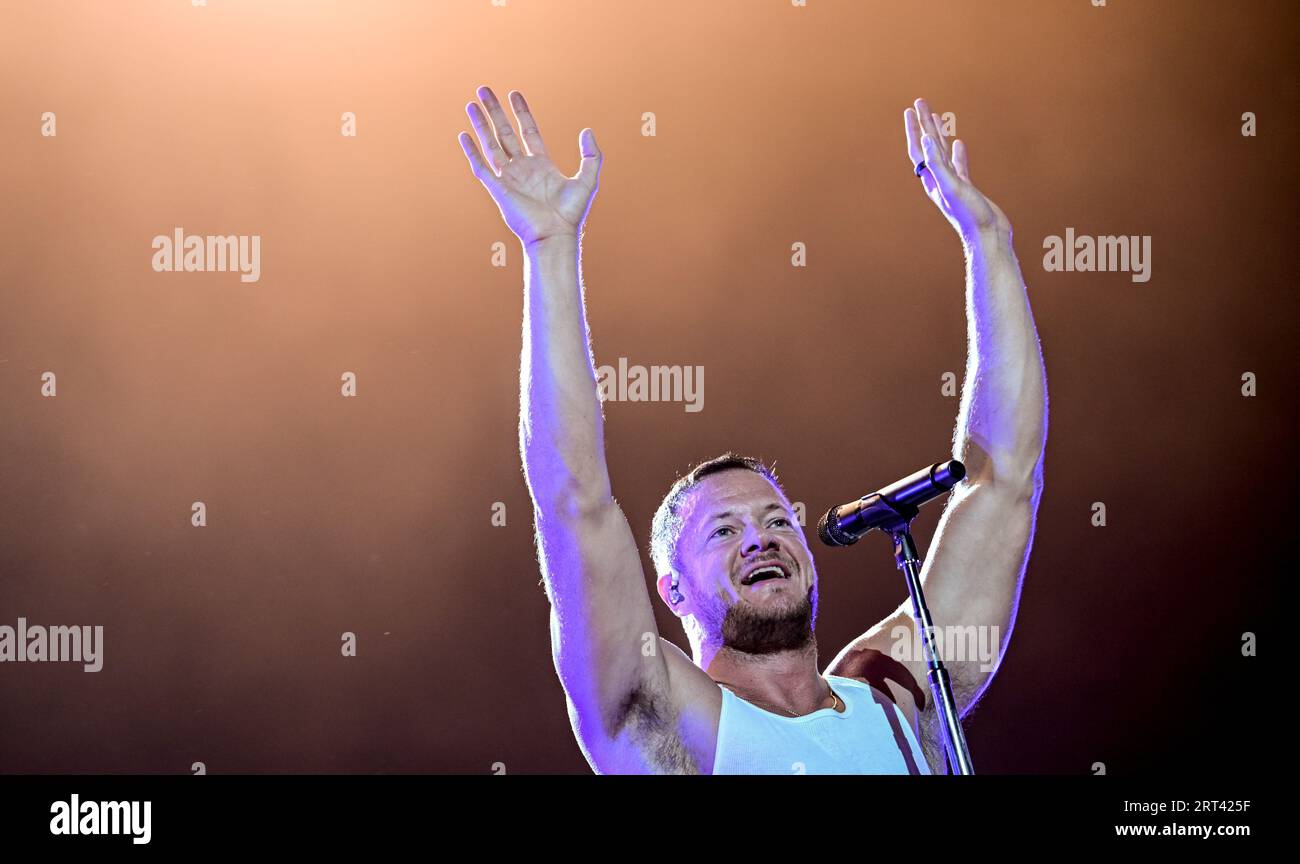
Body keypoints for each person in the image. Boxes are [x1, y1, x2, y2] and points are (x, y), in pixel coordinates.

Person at [457, 86, 1047, 774]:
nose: (760, 537)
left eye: (775, 520)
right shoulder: (670, 718)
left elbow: (1002, 483)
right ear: (672, 590)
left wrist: (991, 244)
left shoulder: (895, 694)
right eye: (723, 531)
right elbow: (574, 503)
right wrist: (550, 249)